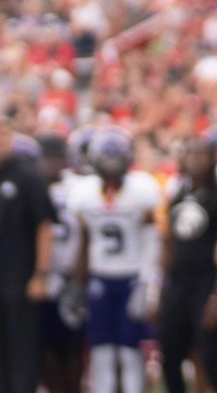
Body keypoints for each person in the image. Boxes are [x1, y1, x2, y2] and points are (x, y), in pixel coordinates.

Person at [71, 130, 164, 393]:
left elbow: (151, 240)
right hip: (100, 277)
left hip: (131, 277)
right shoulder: (84, 194)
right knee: (101, 353)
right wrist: (78, 284)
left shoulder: (141, 190)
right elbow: (84, 241)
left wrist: (148, 283)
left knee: (129, 351)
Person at [159, 137, 217, 393]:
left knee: (211, 353)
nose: (195, 159)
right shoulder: (178, 197)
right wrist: (160, 285)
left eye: (201, 154)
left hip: (206, 282)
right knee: (169, 351)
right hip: (178, 283)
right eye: (190, 153)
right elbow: (170, 243)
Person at [0, 113, 54, 393]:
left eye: (3, 135)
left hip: (19, 276)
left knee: (22, 349)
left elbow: (44, 226)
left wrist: (40, 274)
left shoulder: (27, 175)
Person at [37, 132, 86, 393]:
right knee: (43, 345)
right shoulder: (32, 185)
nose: (51, 165)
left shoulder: (79, 186)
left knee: (71, 346)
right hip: (42, 277)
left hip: (68, 275)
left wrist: (77, 279)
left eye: (56, 159)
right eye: (47, 159)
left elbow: (86, 235)